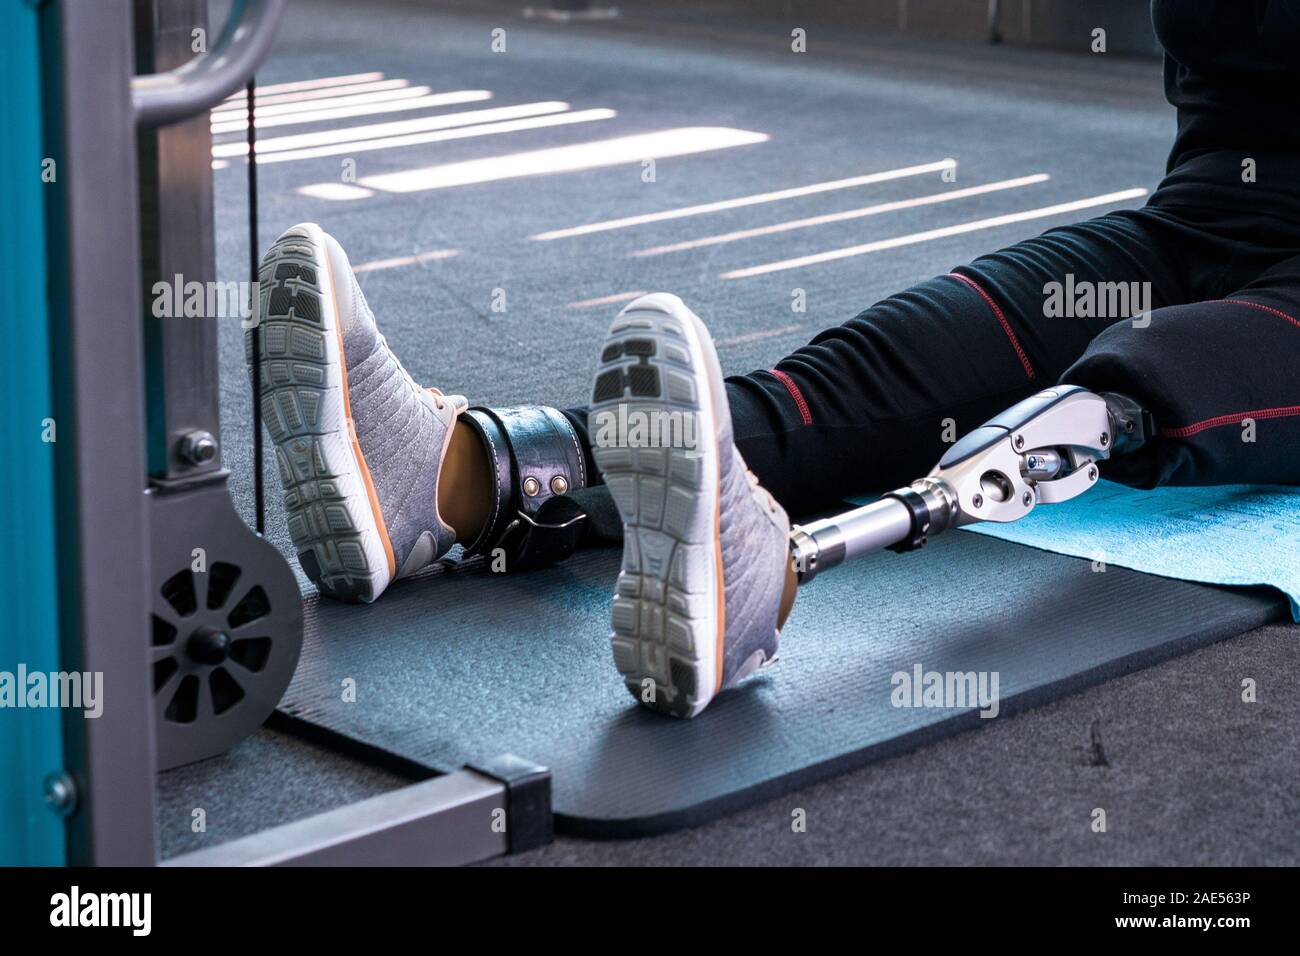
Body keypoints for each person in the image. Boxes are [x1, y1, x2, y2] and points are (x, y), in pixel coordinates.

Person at [247, 0, 1300, 718]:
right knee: (875, 372)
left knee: (1140, 382)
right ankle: (455, 475)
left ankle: (774, 576)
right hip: (1216, 208)